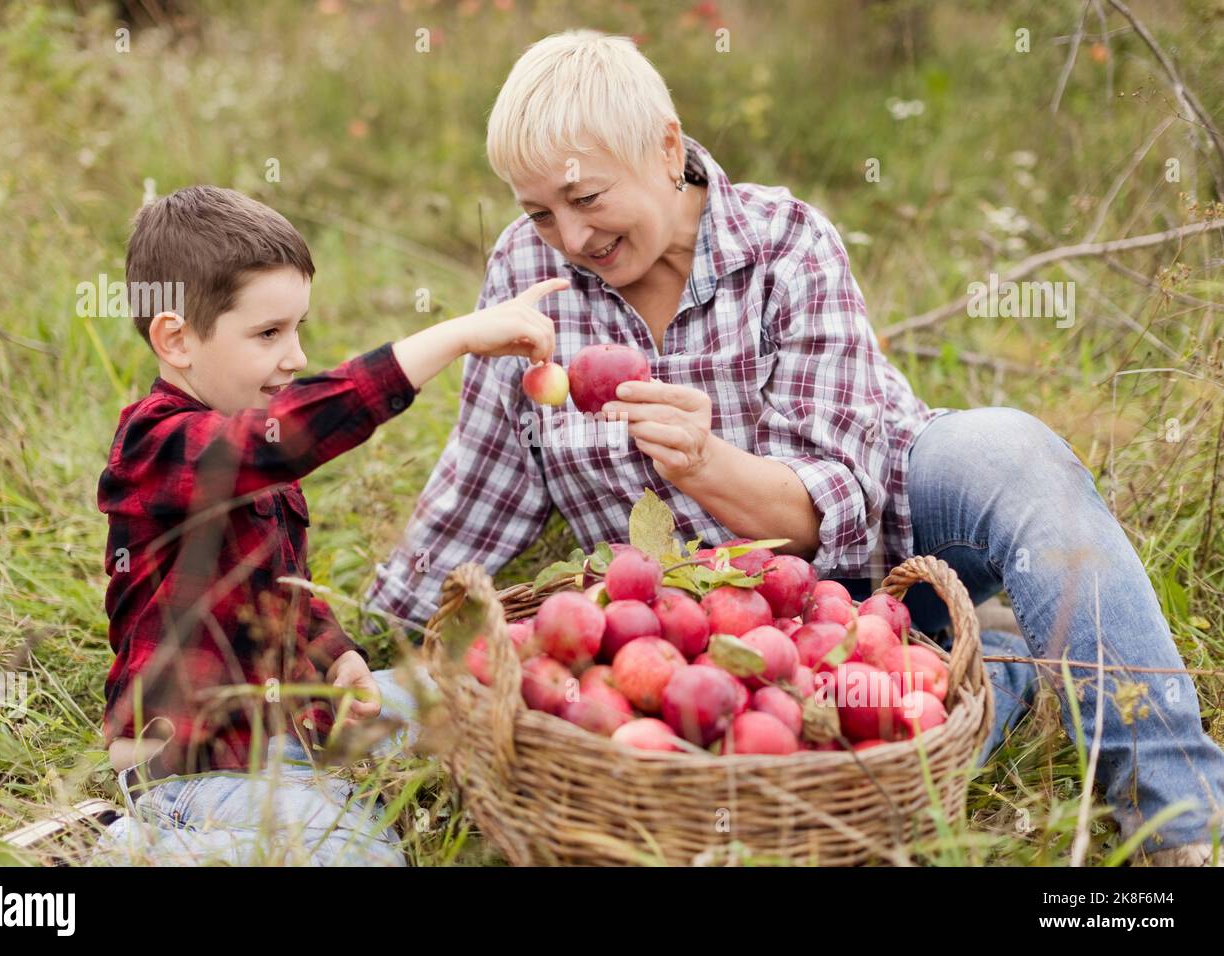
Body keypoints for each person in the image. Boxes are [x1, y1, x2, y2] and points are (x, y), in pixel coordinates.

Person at [365, 30, 1224, 865]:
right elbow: (486, 469)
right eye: (540, 212)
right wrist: (374, 639)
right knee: (844, 740)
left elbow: (842, 500)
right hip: (705, 631)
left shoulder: (782, 241)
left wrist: (704, 466)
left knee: (1011, 450)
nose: (571, 237)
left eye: (586, 200)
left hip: (880, 547)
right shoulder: (530, 273)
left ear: (668, 149)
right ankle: (983, 671)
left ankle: (1179, 822)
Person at [90, 185, 564, 865]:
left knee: (469, 690)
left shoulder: (245, 437)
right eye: (268, 334)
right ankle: (125, 848)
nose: (294, 356)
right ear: (176, 339)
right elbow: (286, 438)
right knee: (362, 858)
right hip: (202, 765)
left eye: (298, 329)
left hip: (296, 731)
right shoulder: (158, 445)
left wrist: (336, 655)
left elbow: (282, 591)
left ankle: (295, 814)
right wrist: (454, 337)